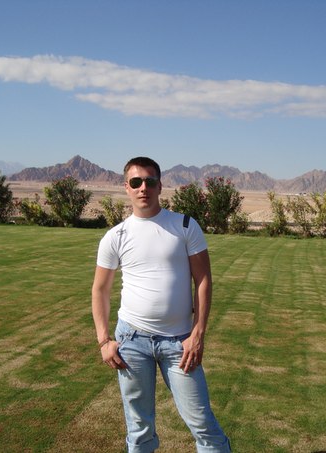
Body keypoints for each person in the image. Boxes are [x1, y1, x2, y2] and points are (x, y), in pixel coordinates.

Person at [91, 156, 231, 453]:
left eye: (150, 181)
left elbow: (203, 280)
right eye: (136, 182)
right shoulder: (115, 236)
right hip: (132, 341)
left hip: (179, 343)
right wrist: (104, 340)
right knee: (139, 429)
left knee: (202, 424)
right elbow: (100, 290)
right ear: (126, 187)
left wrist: (198, 334)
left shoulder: (184, 225)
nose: (143, 188)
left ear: (159, 186)